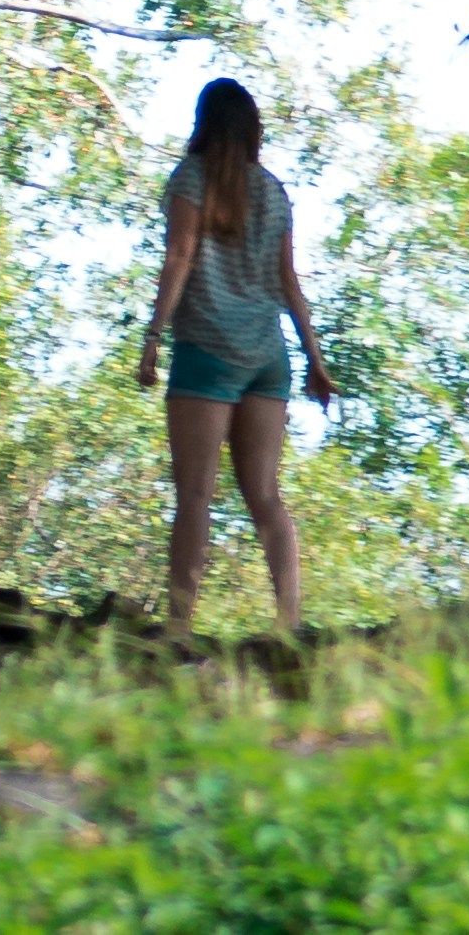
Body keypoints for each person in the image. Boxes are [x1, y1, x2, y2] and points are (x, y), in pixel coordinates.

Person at [135, 73, 333, 645]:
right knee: (264, 494)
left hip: (208, 351)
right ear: (251, 128)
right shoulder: (272, 190)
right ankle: (289, 622)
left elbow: (178, 258)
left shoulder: (191, 179)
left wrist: (152, 336)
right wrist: (314, 359)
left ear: (202, 122)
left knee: (195, 494)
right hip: (268, 356)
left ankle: (179, 627)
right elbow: (288, 281)